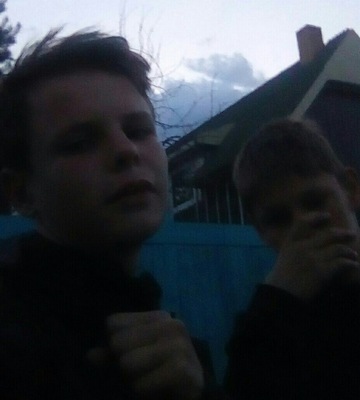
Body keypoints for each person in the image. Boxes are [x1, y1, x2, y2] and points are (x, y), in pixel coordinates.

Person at [0, 29, 219, 400]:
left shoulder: (173, 343)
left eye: (138, 130)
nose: (126, 150)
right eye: (79, 143)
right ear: (21, 192)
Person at [224, 118, 360, 399]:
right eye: (279, 219)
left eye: (315, 202)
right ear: (261, 233)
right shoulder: (269, 336)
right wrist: (274, 308)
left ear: (351, 189)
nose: (303, 225)